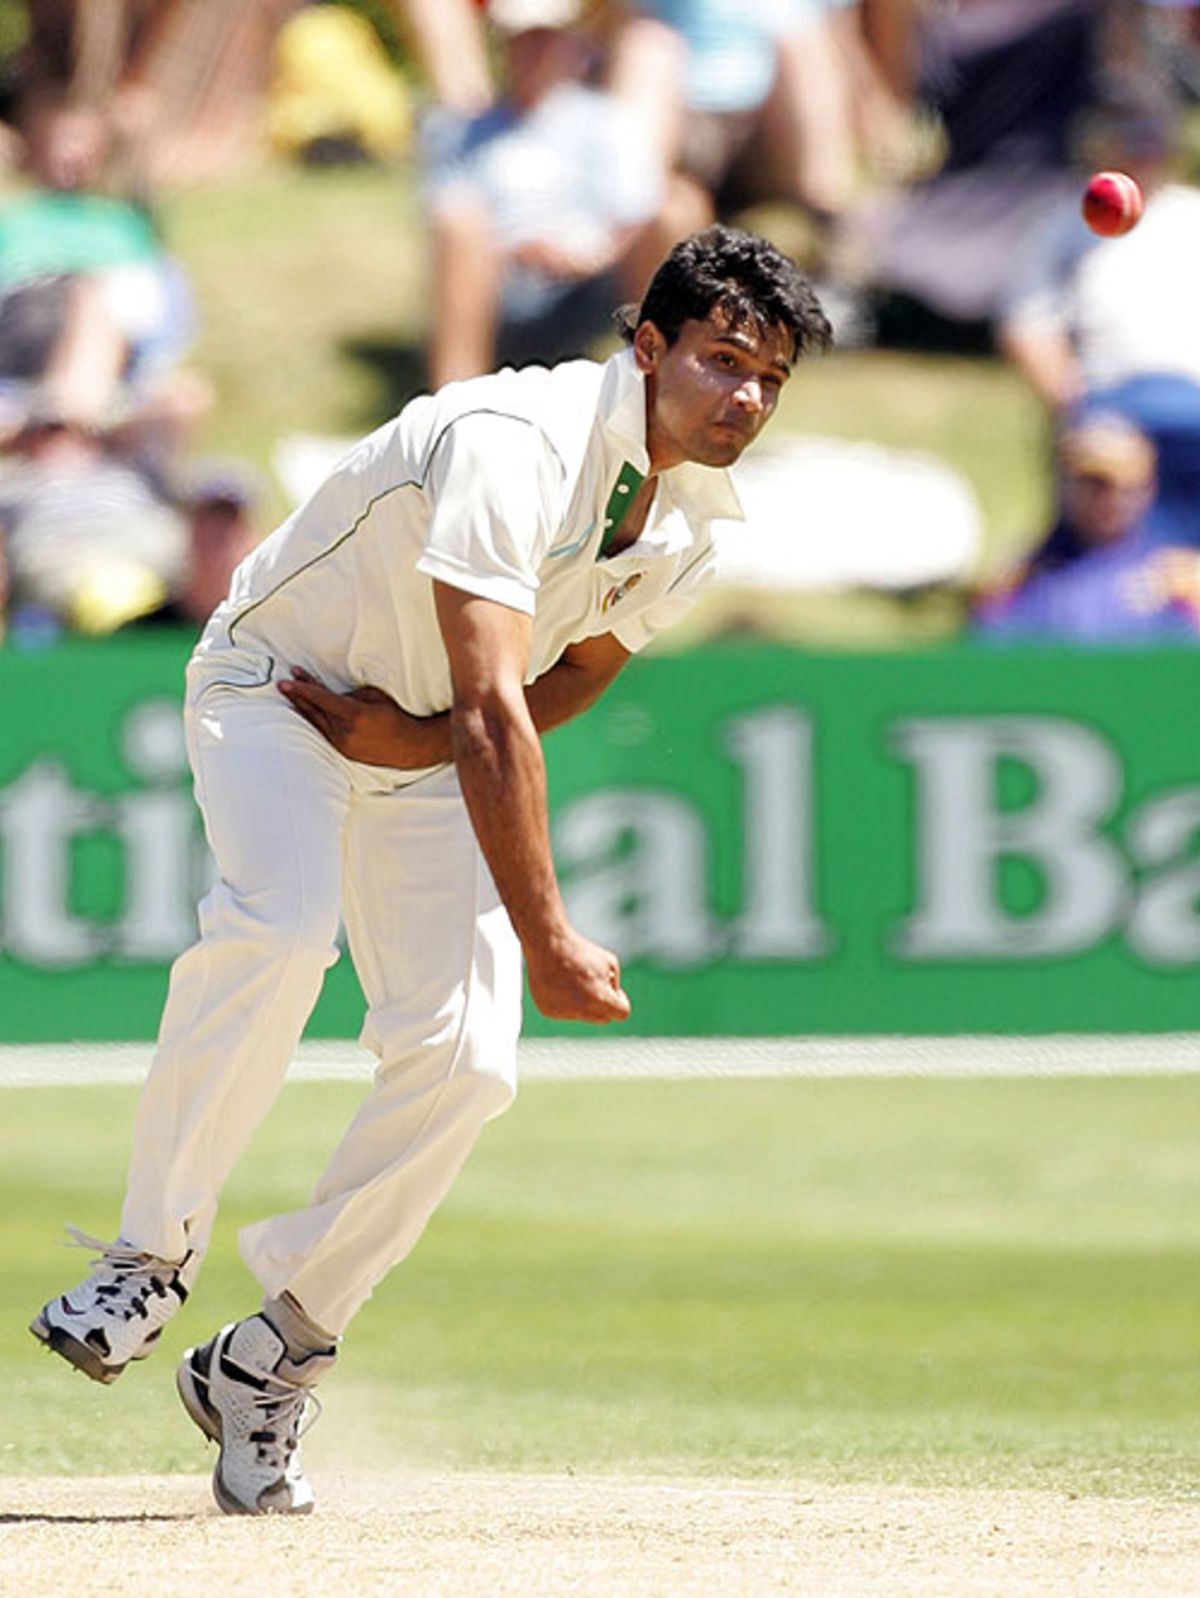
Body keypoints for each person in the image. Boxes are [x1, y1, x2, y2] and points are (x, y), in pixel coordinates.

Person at [31, 226, 832, 1517]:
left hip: (412, 740)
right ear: (647, 347)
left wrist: (408, 742)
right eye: (721, 359)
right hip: (278, 689)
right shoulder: (512, 442)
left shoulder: (689, 525)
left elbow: (569, 675)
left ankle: (272, 1350)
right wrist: (551, 929)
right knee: (284, 931)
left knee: (470, 1059)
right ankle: (146, 1255)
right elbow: (491, 707)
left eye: (768, 380)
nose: (743, 397)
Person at [423, 0, 663, 385]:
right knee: (460, 230)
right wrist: (518, 250)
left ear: (570, 45)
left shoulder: (604, 121)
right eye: (523, 42)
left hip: (590, 281)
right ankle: (451, 407)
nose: (533, 53)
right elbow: (448, 219)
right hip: (501, 280)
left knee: (674, 207)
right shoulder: (462, 130)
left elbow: (635, 211)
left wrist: (590, 255)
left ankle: (661, 379)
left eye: (545, 40)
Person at [973, 413, 1200, 640]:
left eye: (1132, 484)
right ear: (1063, 481)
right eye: (1097, 482)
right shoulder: (1021, 580)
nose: (1115, 497)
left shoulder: (1181, 579)